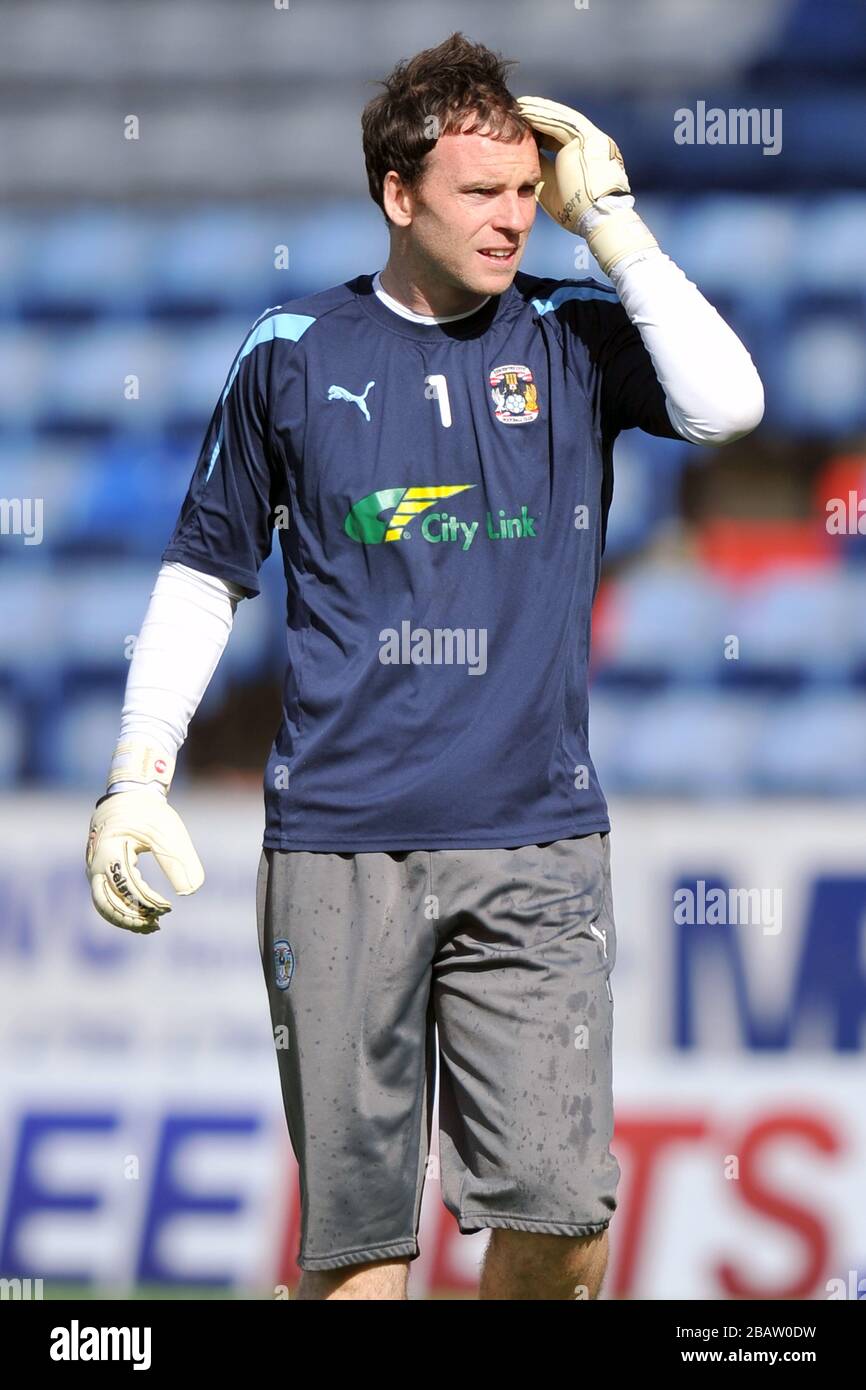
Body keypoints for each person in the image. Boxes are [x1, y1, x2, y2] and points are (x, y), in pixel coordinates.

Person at [85, 32, 763, 1300]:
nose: (515, 219)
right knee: (357, 1263)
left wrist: (609, 223)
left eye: (527, 193)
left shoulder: (572, 332)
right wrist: (137, 770)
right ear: (397, 195)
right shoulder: (291, 350)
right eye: (481, 193)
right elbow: (203, 571)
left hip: (537, 844)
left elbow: (729, 407)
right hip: (339, 849)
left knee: (565, 1227)